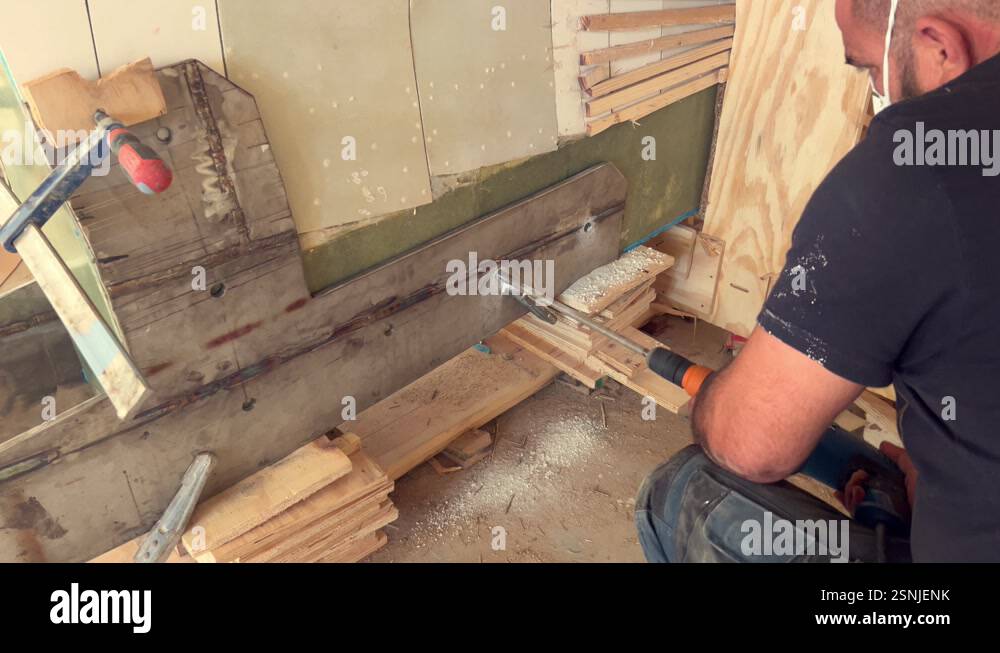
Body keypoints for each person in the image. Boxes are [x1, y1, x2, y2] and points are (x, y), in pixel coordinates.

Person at [635, 0, 1000, 563]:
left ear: (940, 46)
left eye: (868, 68)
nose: (877, 88)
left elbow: (752, 446)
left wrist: (714, 400)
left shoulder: (915, 166)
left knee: (683, 493)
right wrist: (943, 479)